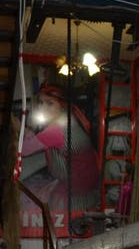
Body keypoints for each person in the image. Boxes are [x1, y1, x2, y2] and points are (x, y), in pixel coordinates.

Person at [22, 82, 99, 211]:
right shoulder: (72, 120)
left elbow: (23, 150)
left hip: (75, 200)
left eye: (50, 103)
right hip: (87, 191)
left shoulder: (56, 131)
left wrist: (27, 130)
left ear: (62, 106)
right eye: (40, 103)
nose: (43, 108)